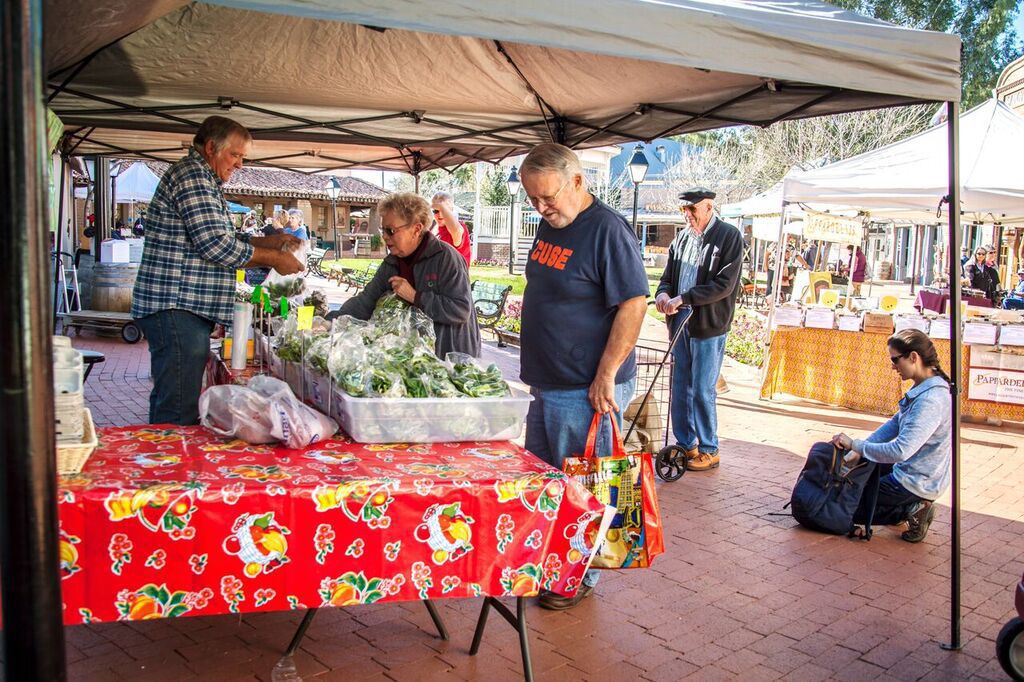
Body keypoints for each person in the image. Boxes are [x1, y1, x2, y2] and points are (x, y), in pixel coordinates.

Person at [517, 143, 648, 610]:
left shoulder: (608, 231)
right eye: (533, 199)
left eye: (548, 196)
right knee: (549, 481)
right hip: (548, 380)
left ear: (577, 181)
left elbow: (634, 304)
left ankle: (577, 574)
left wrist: (607, 372)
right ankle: (554, 561)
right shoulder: (550, 223)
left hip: (585, 386)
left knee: (584, 485)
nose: (541, 207)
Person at [132, 116, 303, 425]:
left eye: (242, 157)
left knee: (172, 398)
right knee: (178, 409)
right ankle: (169, 468)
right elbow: (215, 246)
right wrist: (274, 259)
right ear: (211, 147)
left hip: (181, 308)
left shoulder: (204, 179)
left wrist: (271, 241)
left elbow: (222, 236)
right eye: (235, 155)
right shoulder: (192, 177)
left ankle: (164, 461)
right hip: (176, 306)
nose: (239, 164)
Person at [831, 329, 951, 543]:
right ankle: (903, 505)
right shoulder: (924, 387)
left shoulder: (930, 401)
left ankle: (912, 508)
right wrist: (860, 450)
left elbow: (900, 451)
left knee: (841, 507)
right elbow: (893, 425)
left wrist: (856, 445)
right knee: (857, 476)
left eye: (895, 359)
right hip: (910, 469)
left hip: (915, 480)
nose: (892, 366)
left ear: (913, 357)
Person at [326, 193, 480, 358]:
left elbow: (460, 310)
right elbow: (365, 302)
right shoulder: (392, 262)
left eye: (390, 230)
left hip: (451, 357)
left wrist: (415, 297)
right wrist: (329, 322)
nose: (384, 236)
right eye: (382, 230)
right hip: (417, 358)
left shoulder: (447, 258)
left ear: (416, 229)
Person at [655, 188, 744, 472]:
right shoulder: (681, 239)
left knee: (703, 389)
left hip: (709, 324)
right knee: (680, 387)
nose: (688, 215)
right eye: (684, 210)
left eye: (692, 210)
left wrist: (685, 297)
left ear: (708, 207)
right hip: (680, 322)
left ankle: (709, 448)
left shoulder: (729, 236)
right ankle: (686, 443)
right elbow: (668, 276)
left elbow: (724, 285)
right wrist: (663, 293)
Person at [431, 192, 471, 266]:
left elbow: (456, 230)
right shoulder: (435, 228)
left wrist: (441, 206)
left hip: (453, 275)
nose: (440, 214)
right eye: (436, 211)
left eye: (444, 210)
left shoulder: (459, 227)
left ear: (452, 210)